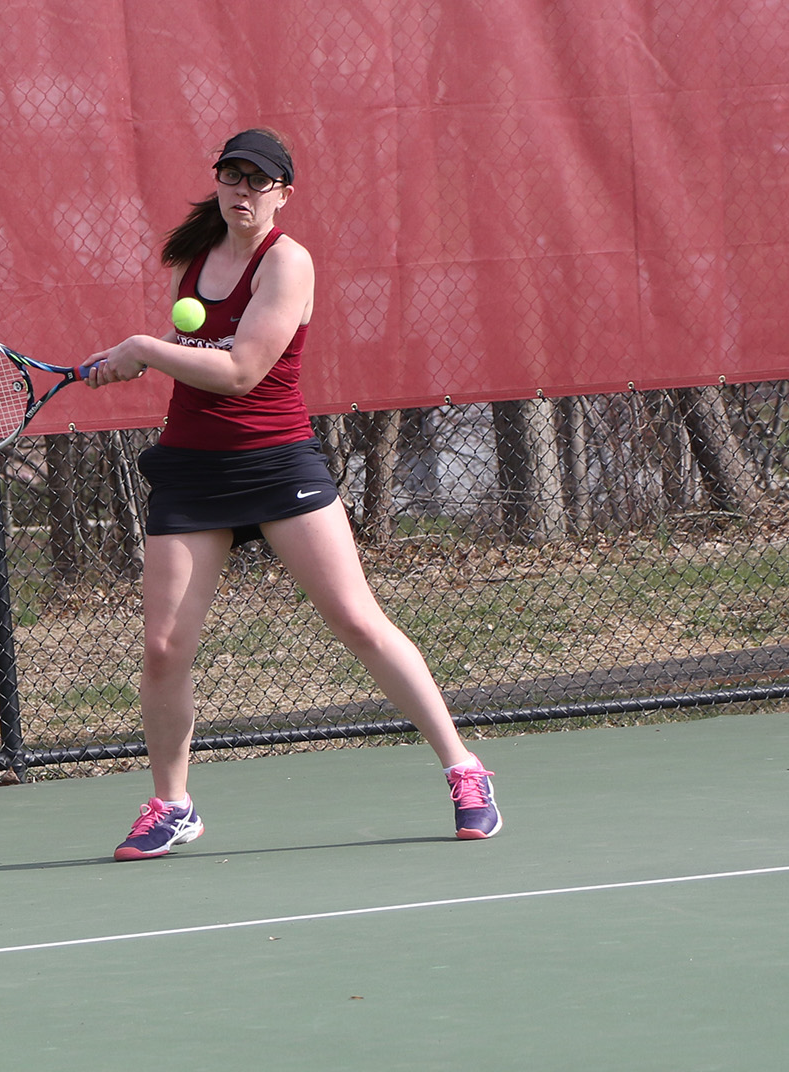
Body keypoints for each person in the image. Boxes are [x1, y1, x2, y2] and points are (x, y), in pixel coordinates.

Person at [78, 128, 502, 861]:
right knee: (162, 649)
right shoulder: (194, 257)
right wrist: (128, 362)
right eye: (231, 177)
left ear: (283, 193)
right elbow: (199, 361)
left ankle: (465, 770)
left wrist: (144, 351)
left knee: (359, 623)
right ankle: (173, 805)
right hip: (192, 469)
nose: (242, 191)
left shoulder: (289, 262)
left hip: (277, 467)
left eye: (258, 181)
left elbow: (242, 370)